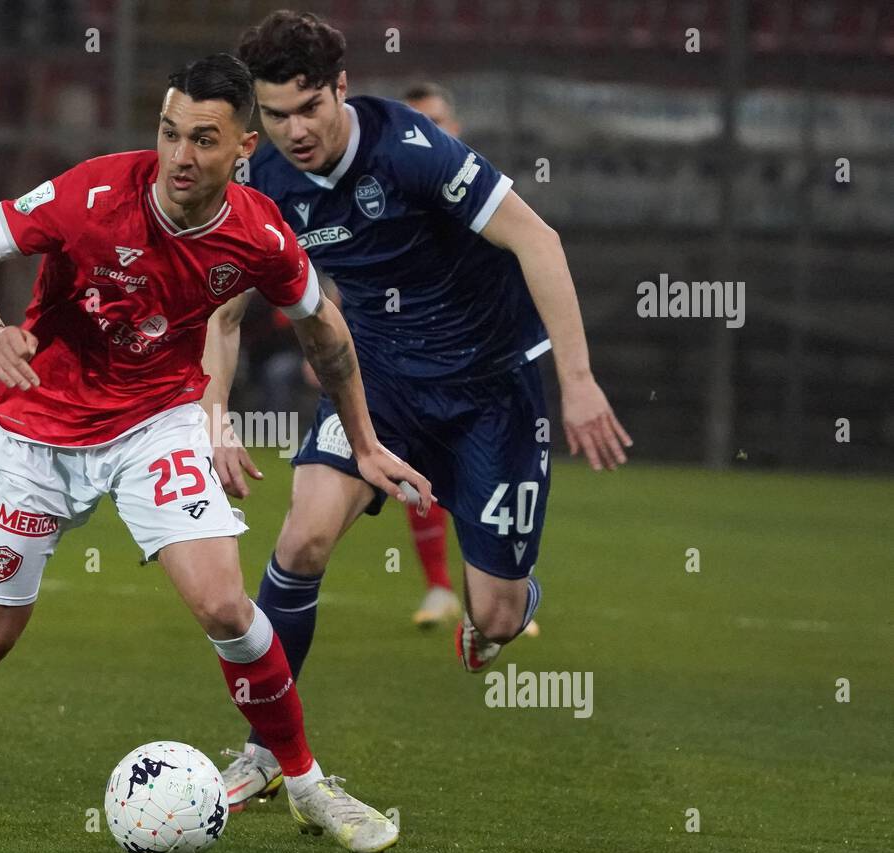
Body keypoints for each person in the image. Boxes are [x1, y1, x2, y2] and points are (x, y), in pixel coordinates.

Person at [0, 53, 431, 853]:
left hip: (155, 423)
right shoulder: (95, 191)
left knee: (223, 607)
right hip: (40, 431)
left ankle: (307, 784)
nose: (180, 155)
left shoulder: (260, 234)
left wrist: (365, 443)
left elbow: (327, 333)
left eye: (204, 140)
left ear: (244, 148)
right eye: (171, 132)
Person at [206, 12, 630, 810]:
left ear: (341, 88)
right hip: (381, 387)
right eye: (274, 115)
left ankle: (508, 602)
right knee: (300, 539)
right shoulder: (261, 182)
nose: (294, 130)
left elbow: (539, 241)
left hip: (491, 392)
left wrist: (577, 383)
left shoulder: (411, 151)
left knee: (495, 618)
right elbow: (223, 312)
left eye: (308, 108)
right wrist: (215, 412)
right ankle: (266, 749)